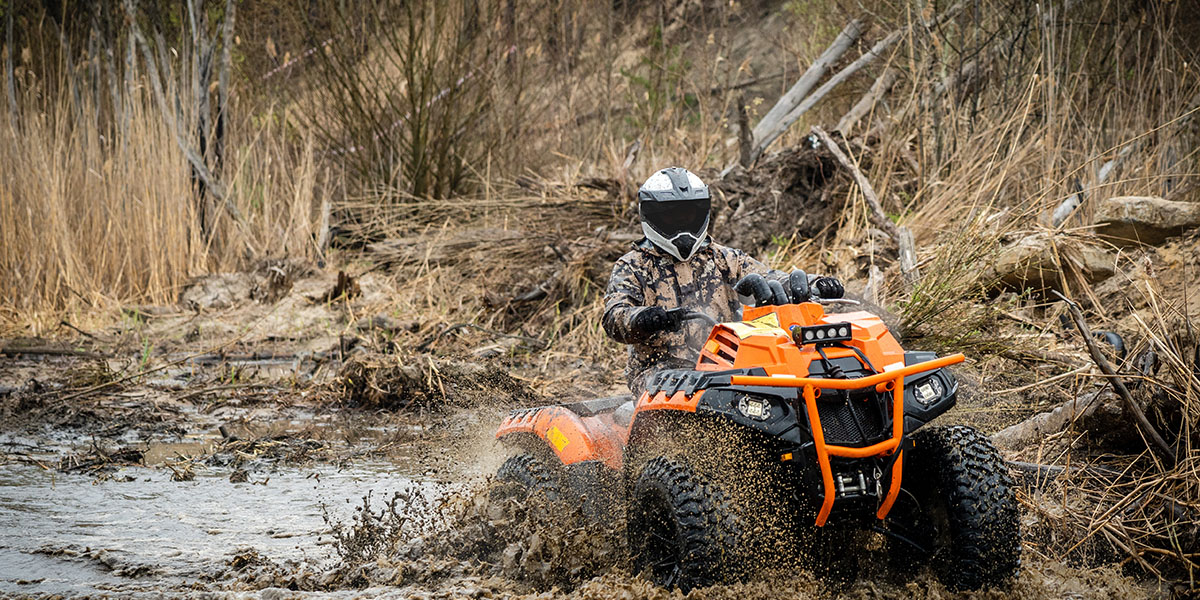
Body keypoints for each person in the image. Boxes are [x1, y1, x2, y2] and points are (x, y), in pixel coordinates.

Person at [602, 167, 844, 396]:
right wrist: (646, 318)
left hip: (726, 363)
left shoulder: (723, 258)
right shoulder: (633, 266)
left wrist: (816, 283)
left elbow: (770, 276)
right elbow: (614, 317)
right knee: (701, 398)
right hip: (659, 372)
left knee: (782, 385)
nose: (682, 224)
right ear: (652, 216)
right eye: (672, 216)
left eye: (688, 215)